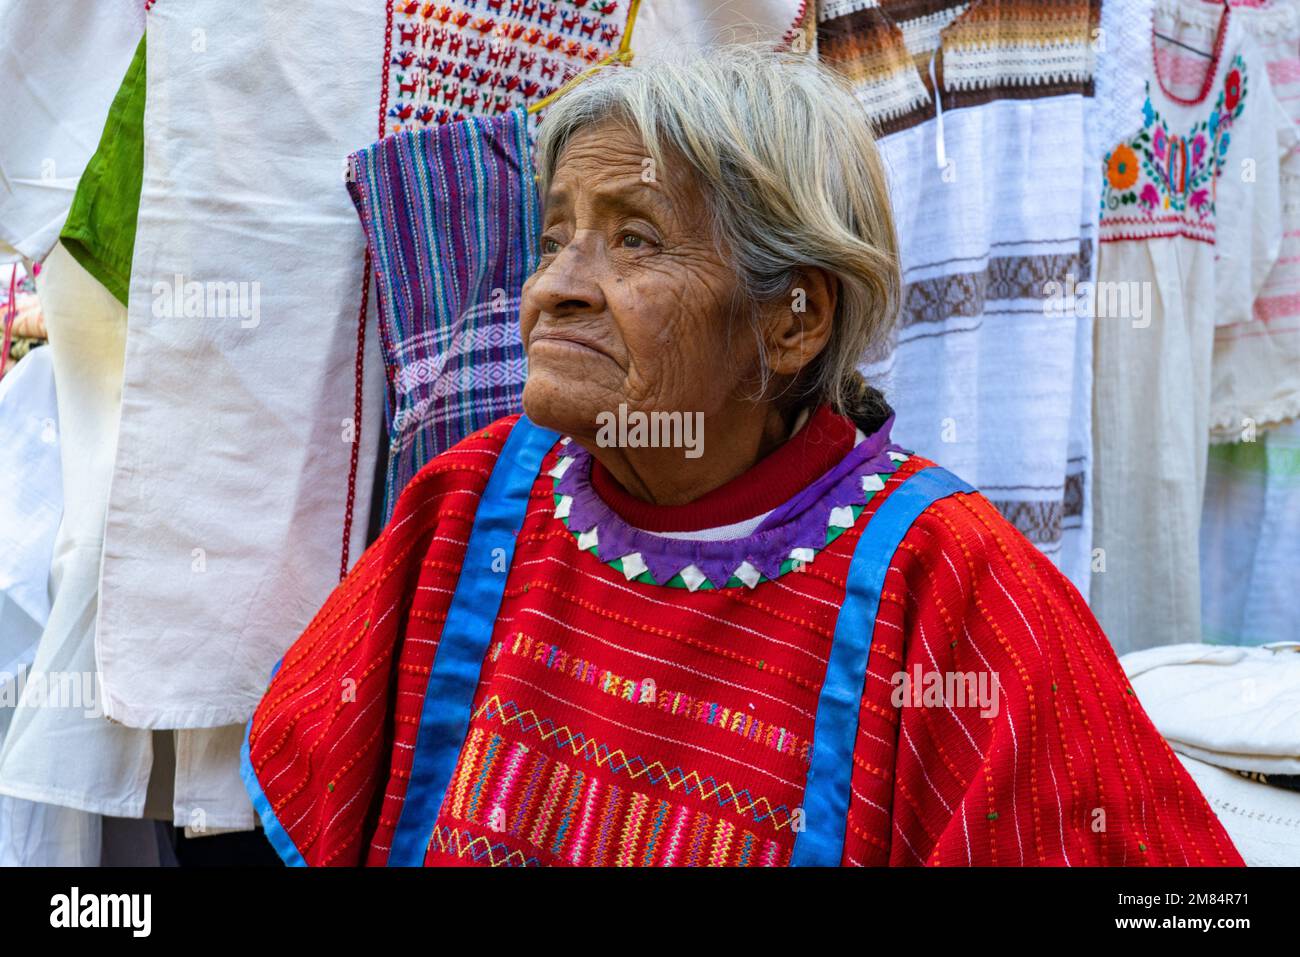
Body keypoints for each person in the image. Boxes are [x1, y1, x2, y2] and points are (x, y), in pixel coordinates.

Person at [241, 45, 1242, 867]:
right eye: (556, 239)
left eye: (634, 243)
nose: (554, 290)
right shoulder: (472, 508)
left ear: (795, 319)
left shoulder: (954, 591)